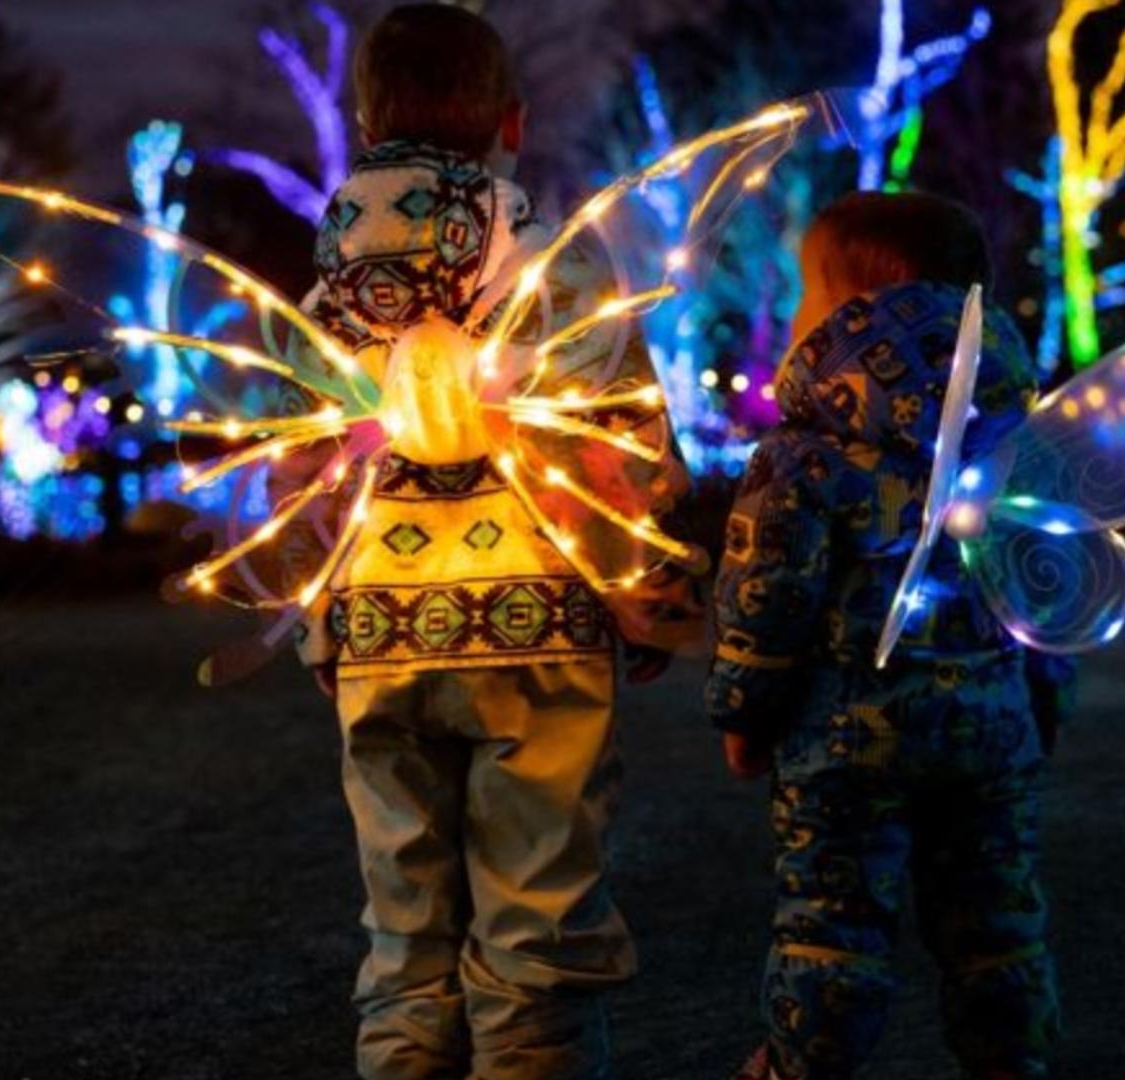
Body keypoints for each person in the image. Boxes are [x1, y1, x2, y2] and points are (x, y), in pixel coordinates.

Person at [291, 6, 693, 1077]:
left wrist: (317, 627)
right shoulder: (559, 266)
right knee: (537, 924)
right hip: (541, 633)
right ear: (510, 124)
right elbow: (622, 452)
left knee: (404, 931)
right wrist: (643, 600)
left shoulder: (326, 291)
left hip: (378, 630)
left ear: (365, 116)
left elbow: (297, 479)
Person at [707, 191, 1076, 1080]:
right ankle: (1012, 1062)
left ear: (848, 315)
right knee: (997, 921)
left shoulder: (801, 458)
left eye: (804, 297)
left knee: (830, 926)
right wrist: (1042, 706)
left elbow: (764, 604)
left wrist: (744, 714)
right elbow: (1050, 596)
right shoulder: (1022, 449)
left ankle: (804, 1064)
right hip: (988, 730)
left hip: (842, 744)